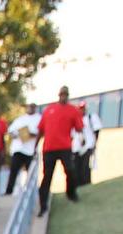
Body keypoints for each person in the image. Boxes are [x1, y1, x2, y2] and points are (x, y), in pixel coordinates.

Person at [37, 86, 84, 215]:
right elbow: (40, 129)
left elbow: (79, 128)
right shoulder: (49, 109)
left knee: (70, 171)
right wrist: (35, 146)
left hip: (65, 147)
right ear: (59, 95)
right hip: (49, 148)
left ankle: (71, 194)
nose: (63, 96)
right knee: (47, 176)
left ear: (68, 96)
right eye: (61, 94)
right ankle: (43, 205)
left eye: (65, 95)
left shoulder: (72, 110)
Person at [4, 103, 40, 194]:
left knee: (30, 173)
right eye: (29, 106)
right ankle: (9, 190)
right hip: (18, 149)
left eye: (32, 107)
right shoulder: (20, 119)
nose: (30, 108)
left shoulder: (38, 118)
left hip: (30, 150)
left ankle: (31, 192)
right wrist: (17, 134)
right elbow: (11, 131)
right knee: (14, 171)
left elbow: (39, 132)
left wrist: (29, 134)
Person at [75, 103, 102, 186]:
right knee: (77, 167)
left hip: (88, 146)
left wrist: (94, 144)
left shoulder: (91, 117)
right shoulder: (76, 119)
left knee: (85, 167)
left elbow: (96, 131)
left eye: (83, 108)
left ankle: (86, 184)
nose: (81, 110)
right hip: (77, 147)